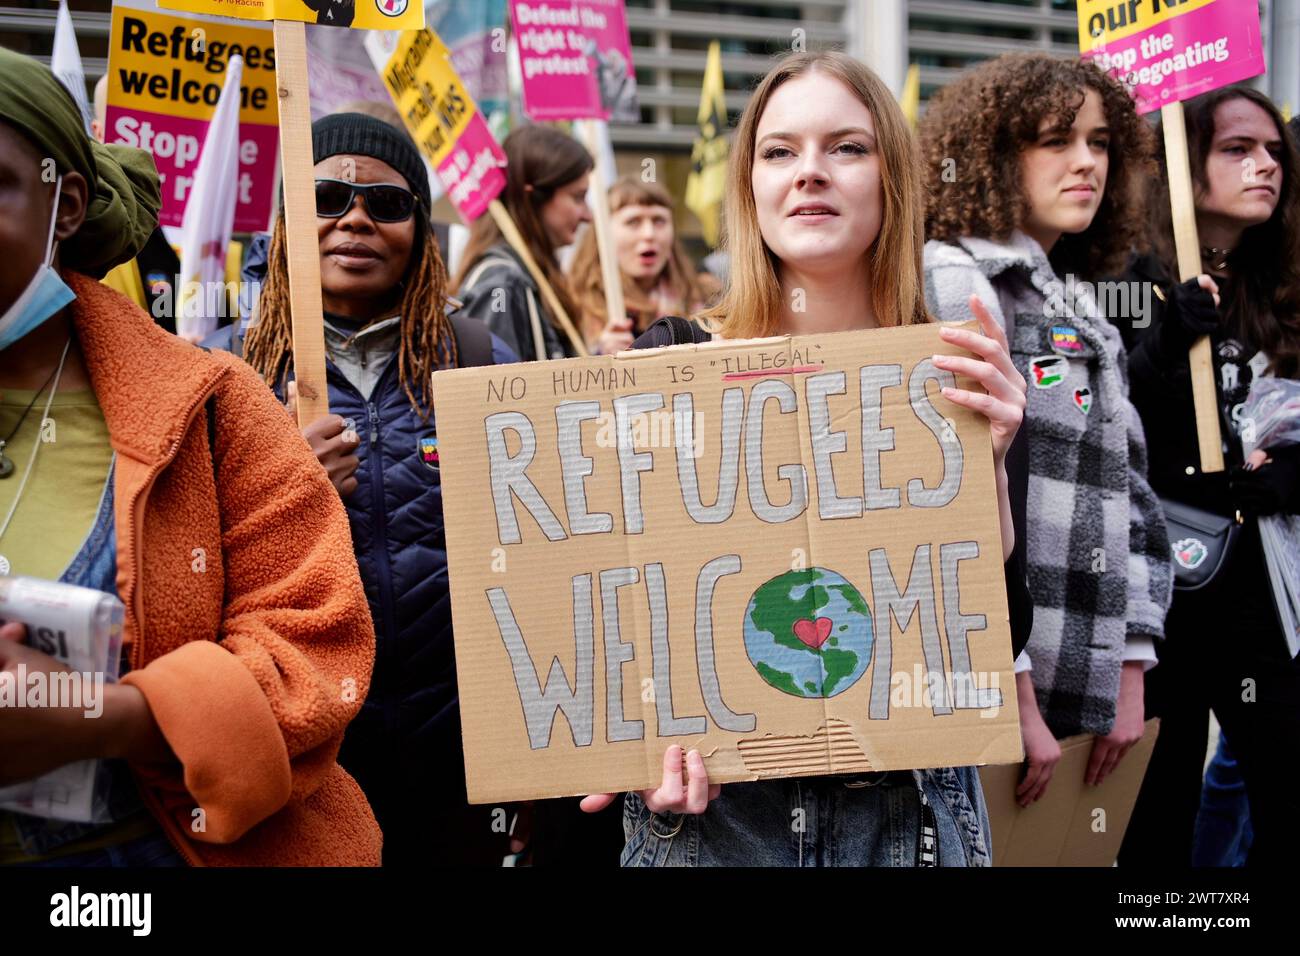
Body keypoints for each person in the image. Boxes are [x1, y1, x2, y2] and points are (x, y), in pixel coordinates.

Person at [581, 50, 1033, 867]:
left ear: (892, 177)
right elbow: (615, 616)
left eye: (847, 148)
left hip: (909, 814)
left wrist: (990, 468)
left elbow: (991, 635)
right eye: (780, 151)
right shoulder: (668, 361)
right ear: (749, 183)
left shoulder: (955, 372)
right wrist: (634, 748)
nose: (810, 173)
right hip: (717, 822)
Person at [0, 49, 380, 866]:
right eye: (331, 201)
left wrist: (107, 716)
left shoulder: (210, 406)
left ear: (64, 204)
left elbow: (316, 646)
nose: (355, 221)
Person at [212, 112, 519, 866]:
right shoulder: (223, 375)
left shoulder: (480, 360)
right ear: (289, 218)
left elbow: (548, 558)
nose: (354, 218)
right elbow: (180, 575)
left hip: (464, 760)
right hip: (309, 761)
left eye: (386, 204)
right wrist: (288, 492)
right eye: (326, 197)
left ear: (420, 229)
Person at [919, 53, 1171, 810]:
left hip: (1079, 681)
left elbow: (1131, 494)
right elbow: (957, 506)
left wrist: (1130, 662)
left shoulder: (1075, 301)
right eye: (1055, 141)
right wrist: (1013, 686)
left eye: (1099, 142)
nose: (1085, 162)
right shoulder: (955, 280)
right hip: (1010, 687)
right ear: (995, 155)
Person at [1115, 86, 1300, 867]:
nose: (1266, 165)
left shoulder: (1287, 280)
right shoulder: (1127, 279)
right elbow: (1089, 424)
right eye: (1238, 149)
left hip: (1268, 588)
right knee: (1158, 813)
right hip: (1165, 594)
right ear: (1186, 168)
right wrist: (1159, 345)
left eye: (1275, 153)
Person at [452, 123, 593, 361]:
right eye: (578, 197)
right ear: (534, 197)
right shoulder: (501, 285)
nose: (588, 215)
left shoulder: (529, 278)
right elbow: (496, 392)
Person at [568, 175, 718, 354]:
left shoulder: (705, 295)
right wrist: (601, 358)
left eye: (659, 221)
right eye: (633, 222)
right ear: (603, 235)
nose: (649, 234)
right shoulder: (573, 303)